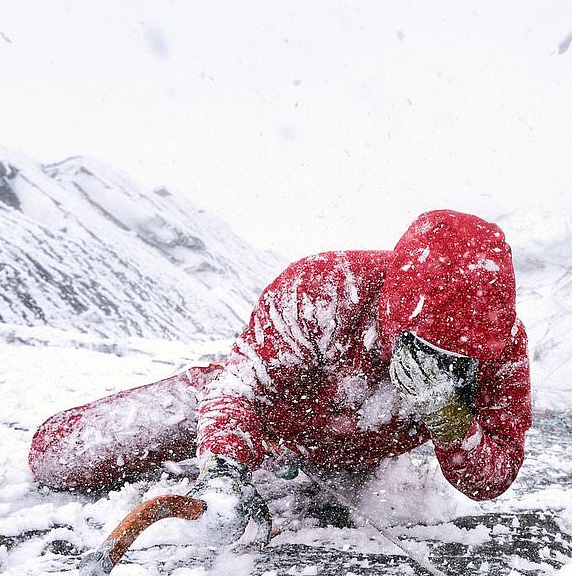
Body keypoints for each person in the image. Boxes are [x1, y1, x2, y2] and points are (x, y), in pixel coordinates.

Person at [29, 211, 532, 518]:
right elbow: (239, 390)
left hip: (350, 454)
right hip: (256, 414)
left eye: (458, 362)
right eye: (424, 349)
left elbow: (493, 477)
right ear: (393, 314)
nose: (439, 369)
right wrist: (224, 469)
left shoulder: (498, 345)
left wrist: (453, 425)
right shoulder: (325, 289)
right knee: (61, 456)